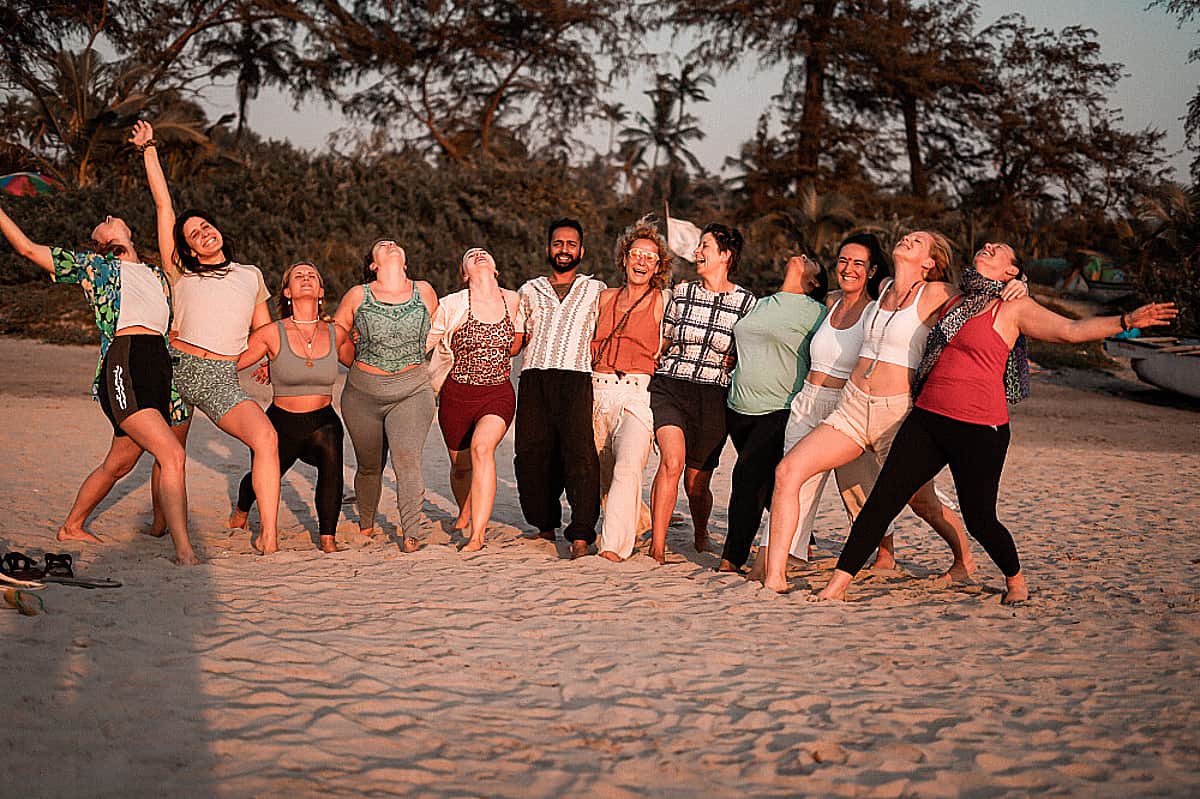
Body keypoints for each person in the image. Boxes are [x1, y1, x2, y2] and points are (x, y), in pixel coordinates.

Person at [816, 243, 1177, 603]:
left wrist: (1127, 322)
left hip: (978, 429)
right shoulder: (955, 300)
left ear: (1010, 271)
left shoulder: (1014, 307)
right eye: (988, 244)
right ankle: (837, 586)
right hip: (927, 417)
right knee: (883, 500)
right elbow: (893, 292)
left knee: (980, 519)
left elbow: (1070, 330)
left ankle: (1015, 579)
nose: (988, 246)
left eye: (999, 249)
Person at [761, 230, 1026, 593]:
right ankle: (774, 577)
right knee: (788, 470)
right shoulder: (882, 288)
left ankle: (964, 558)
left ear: (930, 262)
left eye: (918, 242)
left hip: (897, 414)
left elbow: (986, 296)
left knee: (922, 501)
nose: (906, 240)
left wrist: (1019, 286)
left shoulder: (938, 293)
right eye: (906, 238)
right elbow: (835, 290)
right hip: (852, 408)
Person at [0, 203, 199, 565]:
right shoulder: (95, 268)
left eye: (111, 216)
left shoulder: (156, 274)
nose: (108, 216)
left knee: (118, 466)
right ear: (100, 243)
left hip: (160, 370)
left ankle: (71, 526)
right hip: (125, 364)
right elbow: (27, 248)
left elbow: (164, 207)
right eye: (101, 223)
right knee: (172, 454)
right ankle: (184, 551)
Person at [136, 120, 282, 555]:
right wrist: (149, 149)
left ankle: (269, 533)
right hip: (177, 369)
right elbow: (165, 206)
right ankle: (161, 522)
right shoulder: (180, 272)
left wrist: (253, 357)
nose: (204, 233)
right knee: (170, 452)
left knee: (266, 438)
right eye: (194, 234)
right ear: (189, 249)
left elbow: (264, 330)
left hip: (221, 375)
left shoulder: (250, 275)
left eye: (206, 226)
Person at [648, 223, 756, 564]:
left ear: (725, 255)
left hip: (713, 397)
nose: (697, 252)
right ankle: (657, 547)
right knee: (671, 462)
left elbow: (750, 350)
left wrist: (736, 355)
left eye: (704, 246)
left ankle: (700, 533)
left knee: (697, 484)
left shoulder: (747, 303)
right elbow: (663, 340)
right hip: (671, 386)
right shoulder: (682, 293)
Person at [716, 252, 827, 573]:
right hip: (738, 407)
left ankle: (731, 559)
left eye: (811, 261)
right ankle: (802, 536)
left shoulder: (817, 312)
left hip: (781, 408)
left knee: (746, 477)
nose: (802, 256)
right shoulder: (761, 303)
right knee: (764, 481)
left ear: (814, 282)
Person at [231, 262, 351, 553]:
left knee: (333, 468)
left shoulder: (337, 333)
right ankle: (242, 508)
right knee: (258, 478)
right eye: (299, 276)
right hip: (281, 424)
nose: (307, 278)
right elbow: (232, 363)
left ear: (321, 291)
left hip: (323, 421)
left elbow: (360, 365)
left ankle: (328, 539)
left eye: (313, 275)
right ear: (287, 292)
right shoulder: (271, 333)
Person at [333, 238, 439, 552]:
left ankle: (411, 532)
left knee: (407, 459)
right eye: (382, 246)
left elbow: (440, 332)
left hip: (412, 391)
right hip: (362, 395)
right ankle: (366, 523)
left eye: (394, 244)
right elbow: (335, 336)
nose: (391, 244)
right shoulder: (357, 294)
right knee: (369, 465)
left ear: (405, 262)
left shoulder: (425, 291)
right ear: (373, 265)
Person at [514, 219, 606, 558]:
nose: (563, 249)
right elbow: (514, 340)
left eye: (570, 244)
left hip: (577, 378)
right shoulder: (528, 290)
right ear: (548, 248)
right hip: (535, 377)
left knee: (580, 455)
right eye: (557, 243)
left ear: (581, 251)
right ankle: (544, 524)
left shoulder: (596, 291)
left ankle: (582, 533)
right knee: (531, 456)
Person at [428, 248, 525, 552]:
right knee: (460, 468)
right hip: (456, 394)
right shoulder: (451, 305)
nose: (479, 255)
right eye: (471, 256)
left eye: (484, 253)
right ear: (464, 272)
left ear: (496, 269)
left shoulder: (515, 301)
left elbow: (520, 342)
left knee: (482, 448)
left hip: (497, 393)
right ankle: (465, 509)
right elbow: (425, 343)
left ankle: (478, 535)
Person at [590, 218, 673, 562]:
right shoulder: (603, 297)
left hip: (638, 396)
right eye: (636, 254)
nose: (641, 261)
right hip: (597, 391)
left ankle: (612, 548)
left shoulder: (662, 301)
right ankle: (638, 520)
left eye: (649, 257)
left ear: (658, 267)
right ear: (624, 259)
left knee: (627, 467)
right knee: (600, 478)